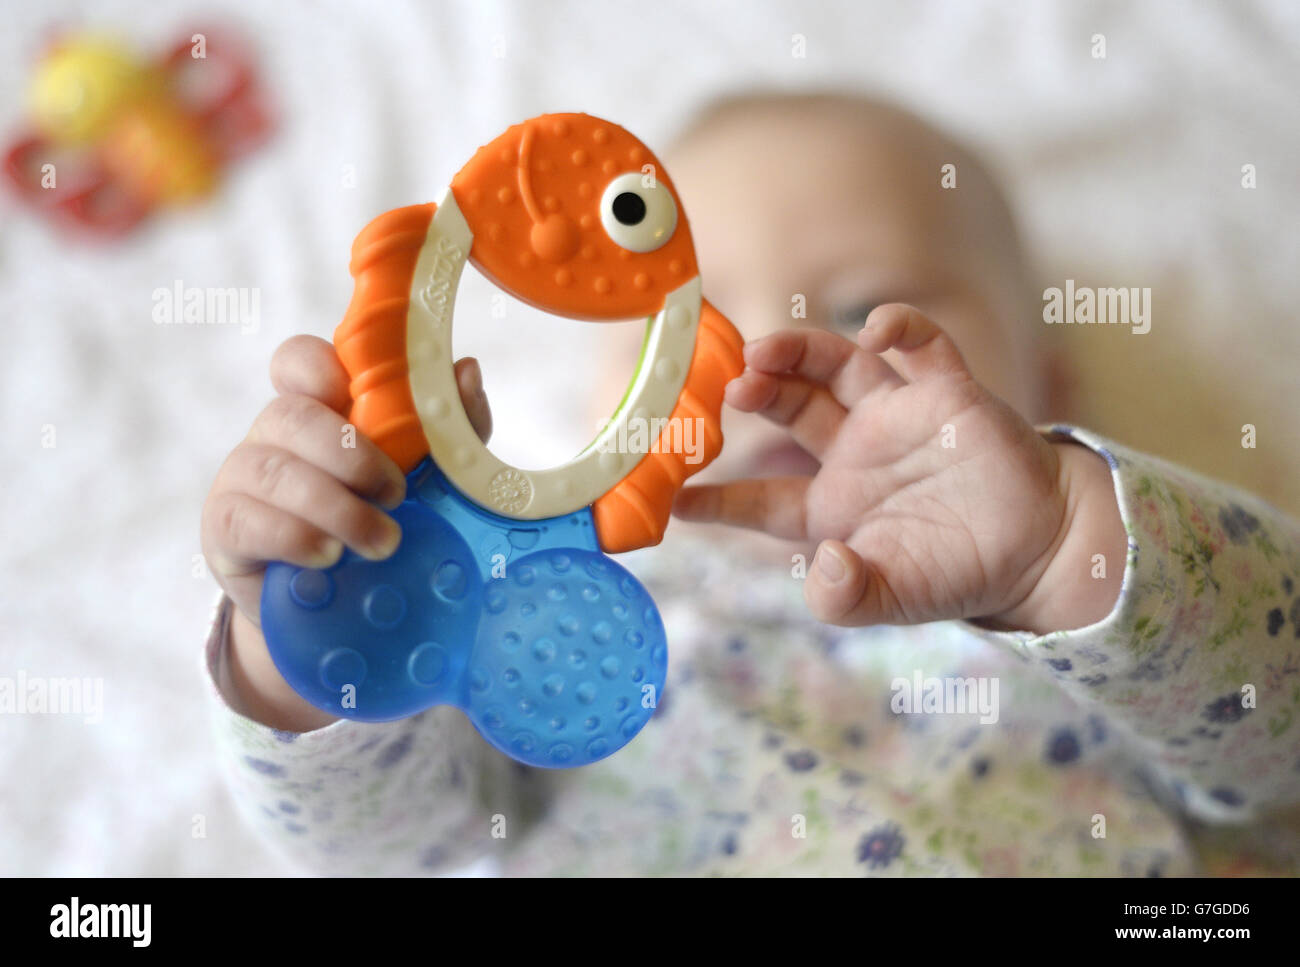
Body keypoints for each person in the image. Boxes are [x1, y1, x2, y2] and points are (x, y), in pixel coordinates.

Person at [199, 91, 1300, 875]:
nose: (764, 349)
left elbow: (1274, 746)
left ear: (1044, 380)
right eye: (686, 318)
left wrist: (1064, 540)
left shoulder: (1084, 606)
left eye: (862, 299)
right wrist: (321, 616)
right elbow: (396, 849)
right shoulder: (530, 624)